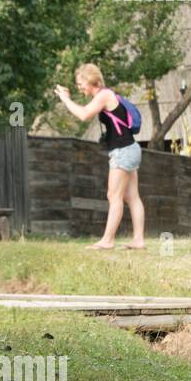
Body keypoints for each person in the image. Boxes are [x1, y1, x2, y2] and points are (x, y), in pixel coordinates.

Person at [54, 63, 146, 250]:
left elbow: (84, 115)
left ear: (90, 80)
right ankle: (138, 240)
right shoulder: (106, 95)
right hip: (130, 148)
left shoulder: (103, 95)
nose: (79, 87)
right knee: (131, 196)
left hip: (123, 151)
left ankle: (107, 240)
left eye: (81, 83)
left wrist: (65, 100)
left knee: (114, 196)